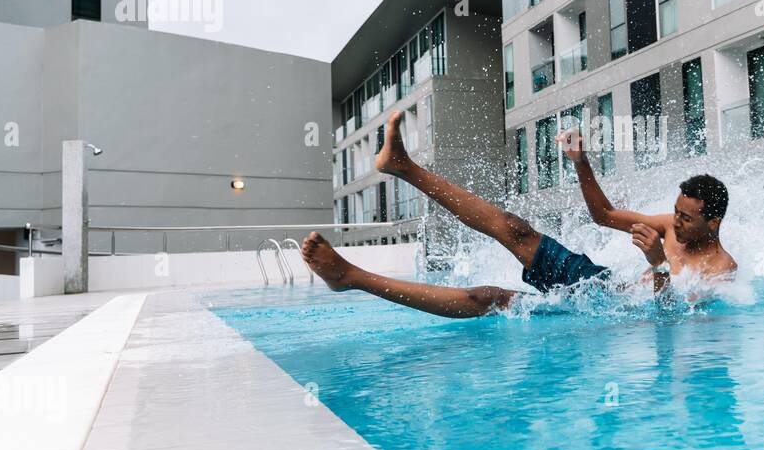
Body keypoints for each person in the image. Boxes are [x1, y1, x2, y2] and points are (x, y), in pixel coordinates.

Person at [300, 111, 736, 318]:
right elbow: (603, 214)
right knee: (513, 228)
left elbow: (671, 318)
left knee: (486, 297)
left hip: (607, 317)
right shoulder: (668, 225)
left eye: (685, 218)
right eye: (675, 213)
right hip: (599, 287)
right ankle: (404, 167)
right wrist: (581, 163)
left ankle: (351, 278)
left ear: (712, 223)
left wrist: (657, 263)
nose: (673, 223)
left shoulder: (722, 269)